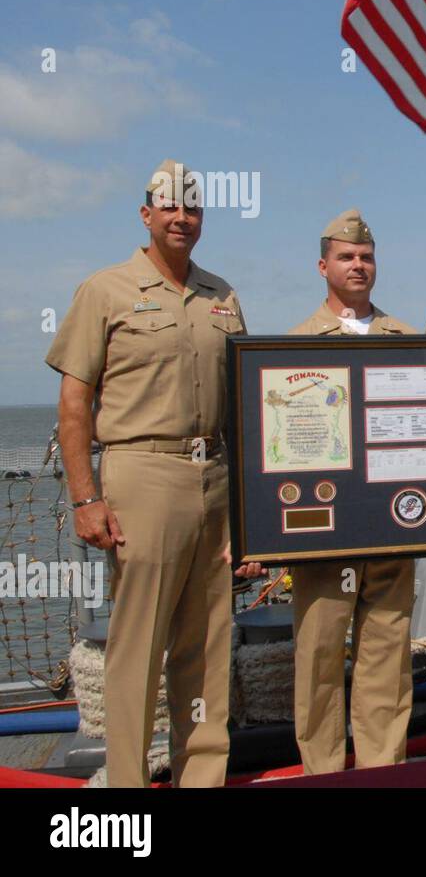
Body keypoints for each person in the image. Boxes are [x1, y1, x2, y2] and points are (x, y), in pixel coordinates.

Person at [47, 159, 258, 787]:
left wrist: (252, 513)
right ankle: (128, 790)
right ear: (146, 214)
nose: (181, 218)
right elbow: (74, 403)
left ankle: (202, 776)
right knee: (138, 647)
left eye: (192, 209)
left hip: (214, 476)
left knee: (208, 642)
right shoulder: (105, 290)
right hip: (142, 473)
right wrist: (85, 498)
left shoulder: (223, 296)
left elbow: (247, 402)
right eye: (169, 207)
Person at [286, 209, 417, 774]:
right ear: (323, 266)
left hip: (391, 522)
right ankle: (322, 768)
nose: (358, 265)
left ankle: (382, 766)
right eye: (346, 257)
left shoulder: (407, 340)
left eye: (366, 257)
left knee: (387, 650)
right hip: (326, 528)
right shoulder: (291, 345)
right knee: (318, 649)